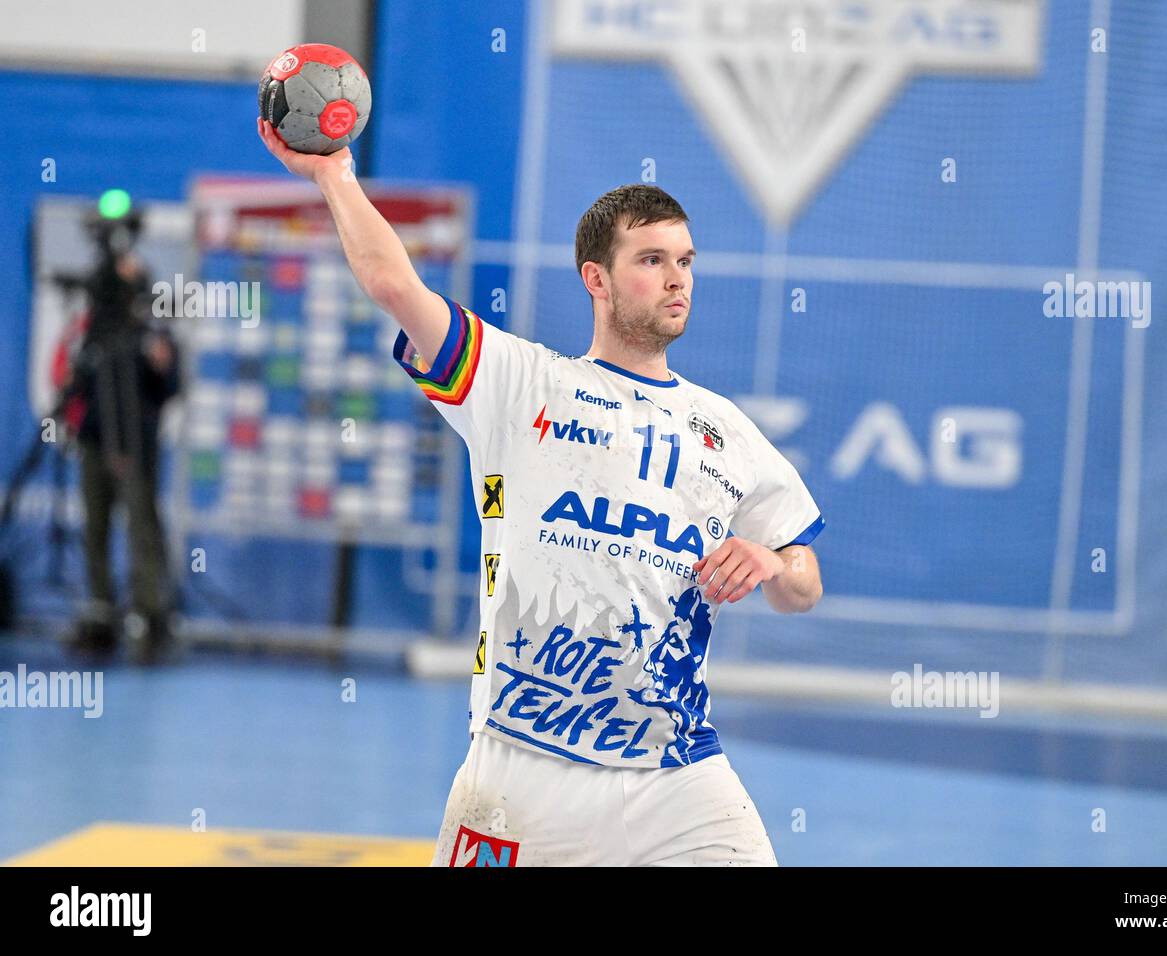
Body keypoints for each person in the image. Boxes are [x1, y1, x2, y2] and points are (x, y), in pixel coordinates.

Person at [259, 119, 825, 866]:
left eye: (685, 260)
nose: (677, 277)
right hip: (524, 772)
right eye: (652, 259)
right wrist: (335, 176)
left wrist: (771, 564)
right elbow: (395, 284)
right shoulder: (520, 383)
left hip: (678, 776)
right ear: (596, 278)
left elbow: (803, 584)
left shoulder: (727, 430)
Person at [67, 249, 180, 663]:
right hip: (96, 442)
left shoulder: (154, 332)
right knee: (95, 528)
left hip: (135, 447)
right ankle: (101, 610)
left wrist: (161, 366)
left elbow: (171, 386)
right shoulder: (96, 332)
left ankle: (149, 612)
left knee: (141, 528)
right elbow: (78, 383)